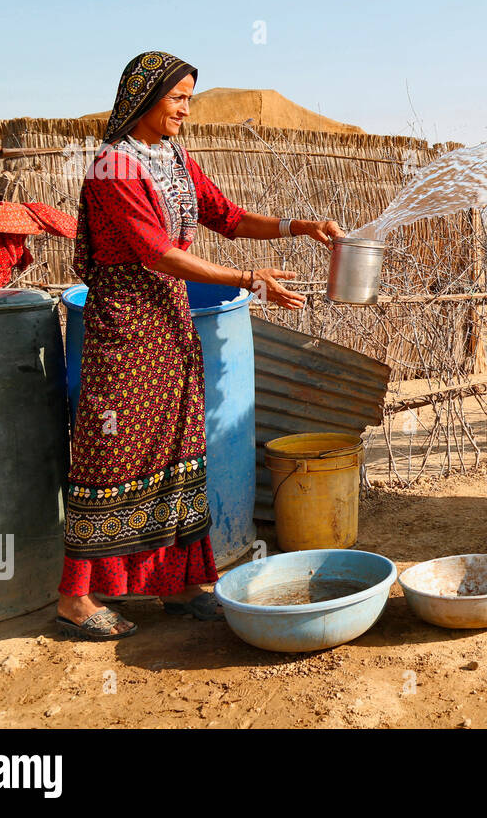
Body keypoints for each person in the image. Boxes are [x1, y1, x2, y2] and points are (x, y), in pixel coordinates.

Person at [57, 50, 341, 639]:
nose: (187, 109)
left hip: (172, 328)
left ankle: (179, 582)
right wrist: (247, 278)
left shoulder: (174, 158)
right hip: (126, 332)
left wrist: (298, 227)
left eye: (190, 97)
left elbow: (227, 217)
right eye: (178, 98)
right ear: (144, 100)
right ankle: (76, 598)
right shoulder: (114, 167)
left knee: (179, 455)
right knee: (110, 458)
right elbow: (157, 252)